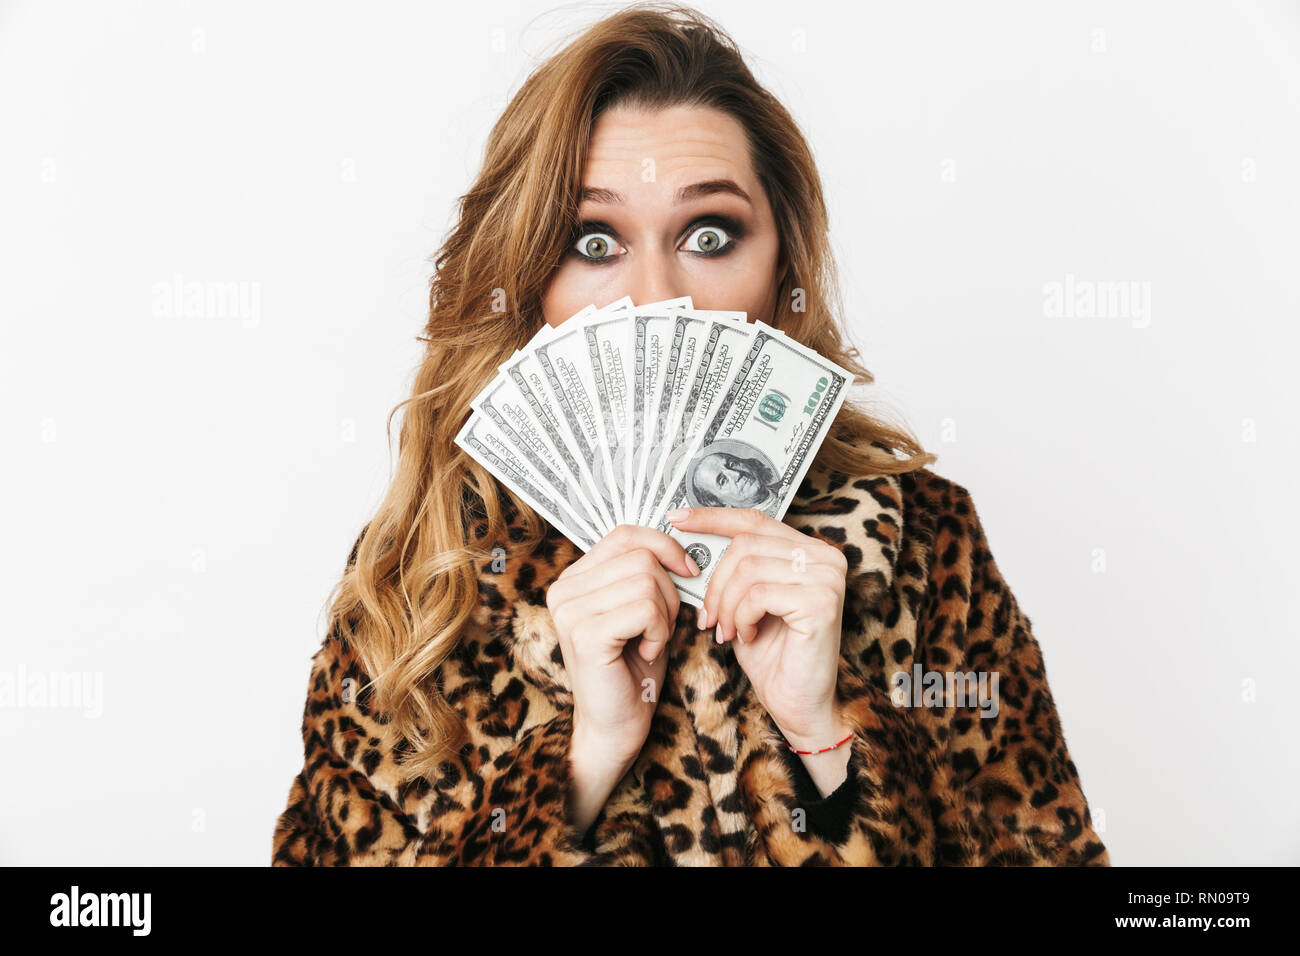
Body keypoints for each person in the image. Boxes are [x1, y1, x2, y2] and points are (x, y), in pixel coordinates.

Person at [271, 2, 1109, 866]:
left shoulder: (925, 551)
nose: (654, 295)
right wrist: (583, 764)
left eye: (709, 235)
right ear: (528, 280)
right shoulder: (425, 584)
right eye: (594, 241)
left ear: (784, 265)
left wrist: (826, 740)